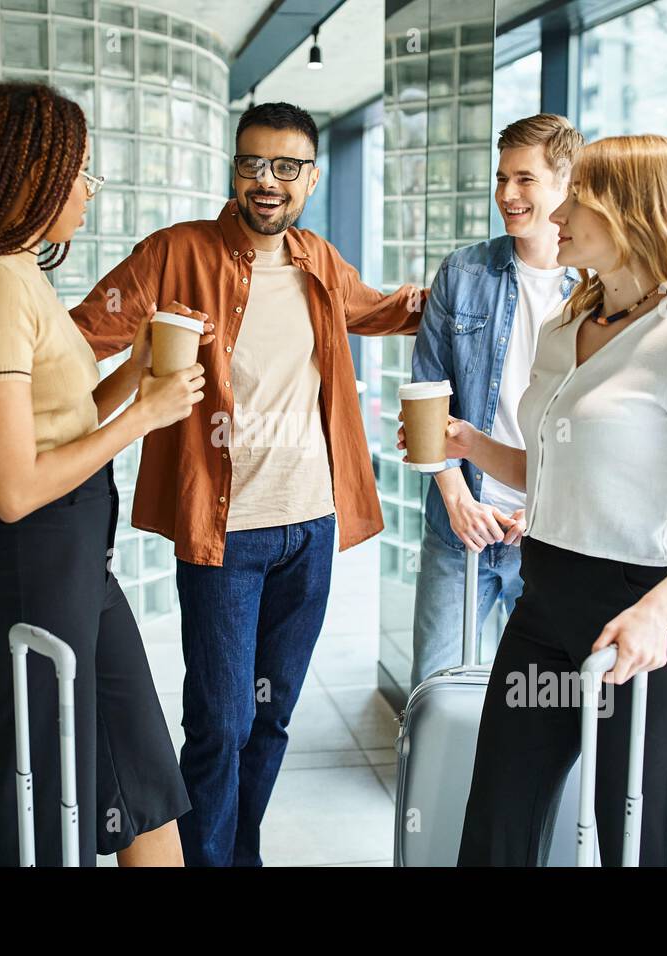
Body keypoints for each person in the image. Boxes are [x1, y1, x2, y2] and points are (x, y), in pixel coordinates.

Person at [71, 102, 424, 866]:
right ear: (234, 169)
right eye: (251, 164)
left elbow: (383, 309)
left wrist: (469, 296)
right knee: (221, 723)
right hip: (223, 532)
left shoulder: (319, 260)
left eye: (285, 167)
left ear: (311, 177)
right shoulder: (174, 254)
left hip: (312, 527)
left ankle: (241, 854)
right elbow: (79, 338)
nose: (266, 182)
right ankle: (206, 859)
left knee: (271, 720)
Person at [400, 134, 667, 866]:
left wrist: (656, 612)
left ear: (632, 212)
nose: (555, 212)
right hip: (545, 605)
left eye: (578, 199)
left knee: (639, 843)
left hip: (640, 618)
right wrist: (470, 445)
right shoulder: (569, 324)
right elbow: (554, 469)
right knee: (497, 826)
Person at [0, 82, 214, 867]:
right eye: (81, 172)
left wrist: (140, 368)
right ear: (34, 174)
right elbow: (14, 488)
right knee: (45, 815)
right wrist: (142, 419)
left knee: (146, 784)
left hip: (78, 562)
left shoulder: (17, 274)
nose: (88, 190)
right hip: (32, 567)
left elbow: (65, 414)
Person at [409, 114, 583, 686]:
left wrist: (542, 505)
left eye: (525, 179)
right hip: (461, 526)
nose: (507, 194)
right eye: (502, 177)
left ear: (566, 183)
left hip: (552, 535)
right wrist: (457, 500)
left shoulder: (595, 289)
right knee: (433, 696)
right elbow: (427, 395)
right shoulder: (463, 272)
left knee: (542, 709)